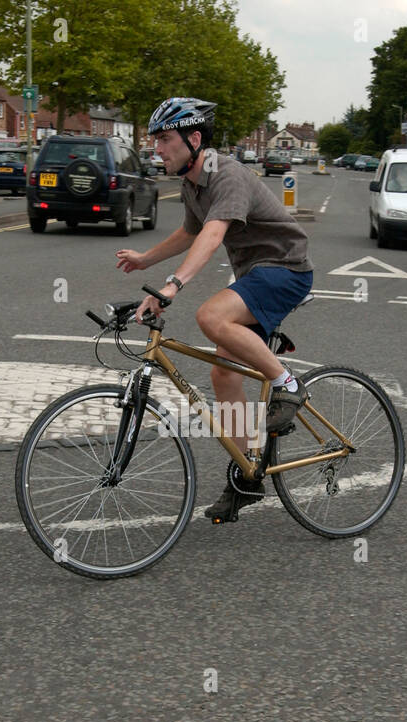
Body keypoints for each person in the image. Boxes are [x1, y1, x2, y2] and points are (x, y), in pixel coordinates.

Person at [116, 97, 314, 523]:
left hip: (285, 268)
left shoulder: (228, 175)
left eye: (165, 139)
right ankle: (248, 477)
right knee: (222, 373)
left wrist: (173, 285)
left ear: (193, 138)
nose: (157, 149)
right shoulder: (192, 183)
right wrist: (146, 261)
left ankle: (289, 385)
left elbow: (212, 234)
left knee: (211, 317)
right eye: (155, 140)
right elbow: (190, 230)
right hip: (253, 275)